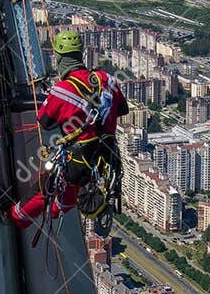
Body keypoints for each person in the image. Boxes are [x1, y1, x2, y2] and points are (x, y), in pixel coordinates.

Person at [9, 29, 127, 228]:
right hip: (104, 158)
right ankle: (56, 210)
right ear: (80, 55)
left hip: (78, 159)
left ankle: (16, 217)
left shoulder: (62, 90)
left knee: (44, 186)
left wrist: (71, 110)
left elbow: (45, 121)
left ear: (59, 58)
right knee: (74, 181)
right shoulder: (107, 79)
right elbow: (122, 109)